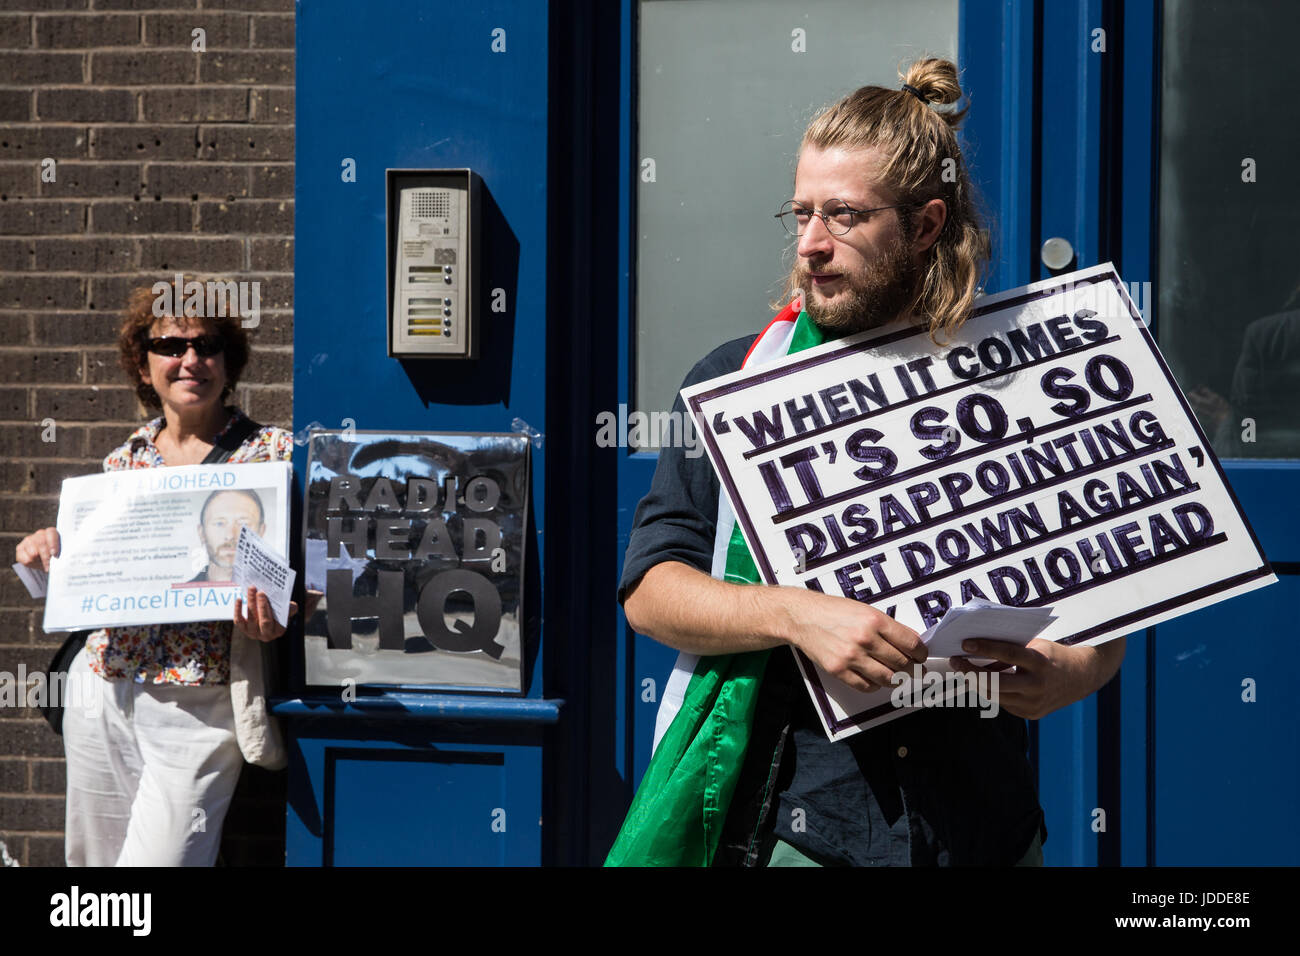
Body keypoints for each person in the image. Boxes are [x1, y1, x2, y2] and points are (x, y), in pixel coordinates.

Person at [609, 59, 1127, 867]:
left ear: (925, 225)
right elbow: (651, 592)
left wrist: (1079, 670)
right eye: (803, 212)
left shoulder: (1024, 374)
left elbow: (1108, 586)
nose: (811, 244)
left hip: (985, 829)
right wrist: (796, 615)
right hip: (806, 830)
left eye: (845, 216)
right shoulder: (736, 381)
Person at [14, 279, 302, 867]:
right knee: (94, 868)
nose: (190, 360)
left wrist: (281, 617)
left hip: (199, 702)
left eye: (208, 345)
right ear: (144, 367)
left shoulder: (272, 456)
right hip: (105, 687)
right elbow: (93, 579)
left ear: (229, 361)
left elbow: (301, 584)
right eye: (170, 346)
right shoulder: (125, 460)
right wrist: (47, 555)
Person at [189, 489, 268, 584]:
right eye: (219, 523)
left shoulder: (280, 595)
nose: (230, 535)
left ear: (261, 531)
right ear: (201, 533)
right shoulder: (180, 597)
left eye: (243, 524)